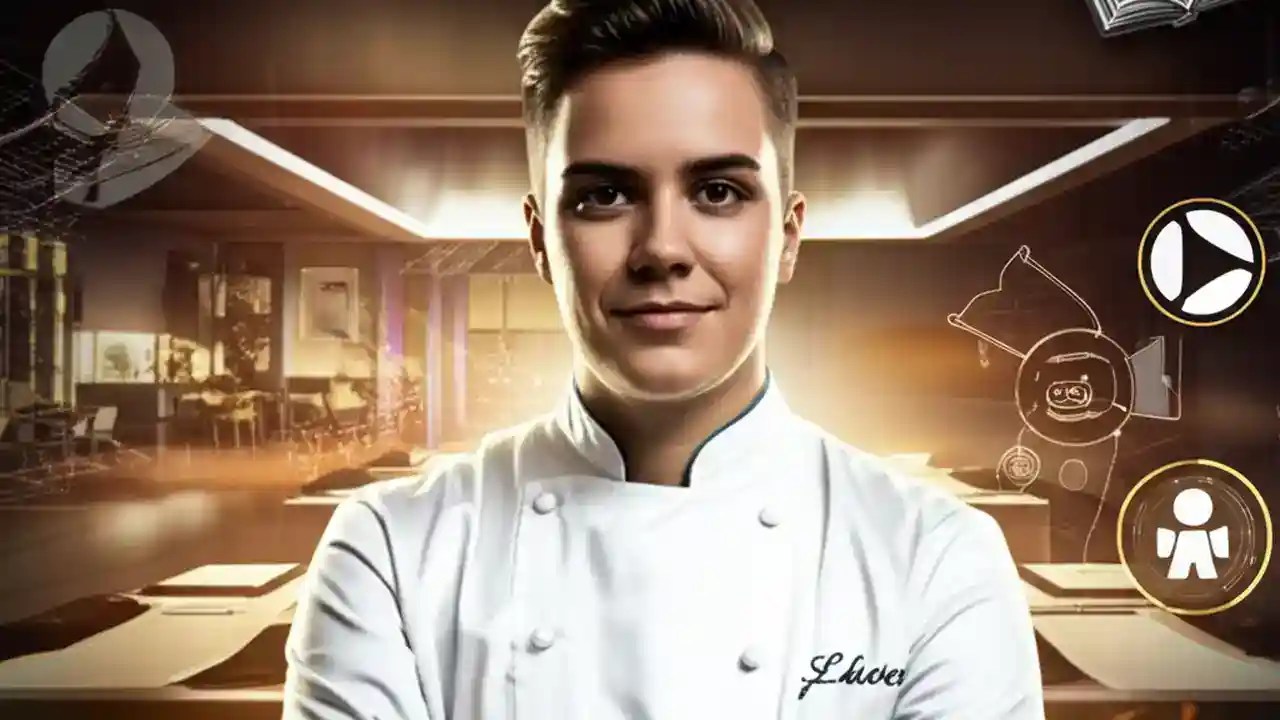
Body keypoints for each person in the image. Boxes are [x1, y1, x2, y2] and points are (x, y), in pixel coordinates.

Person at [282, 1, 1044, 718]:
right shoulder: (389, 552)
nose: (662, 250)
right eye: (604, 196)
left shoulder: (937, 559)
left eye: (717, 191)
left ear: (788, 234)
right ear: (541, 238)